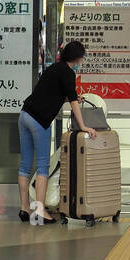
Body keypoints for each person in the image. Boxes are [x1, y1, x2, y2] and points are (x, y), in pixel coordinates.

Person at [17, 40, 97, 224]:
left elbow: (53, 93)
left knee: (25, 165)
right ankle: (39, 211)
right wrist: (83, 126)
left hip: (24, 115)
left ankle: (24, 208)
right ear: (77, 58)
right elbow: (74, 104)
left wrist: (71, 97)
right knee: (43, 165)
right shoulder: (68, 73)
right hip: (39, 121)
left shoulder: (54, 68)